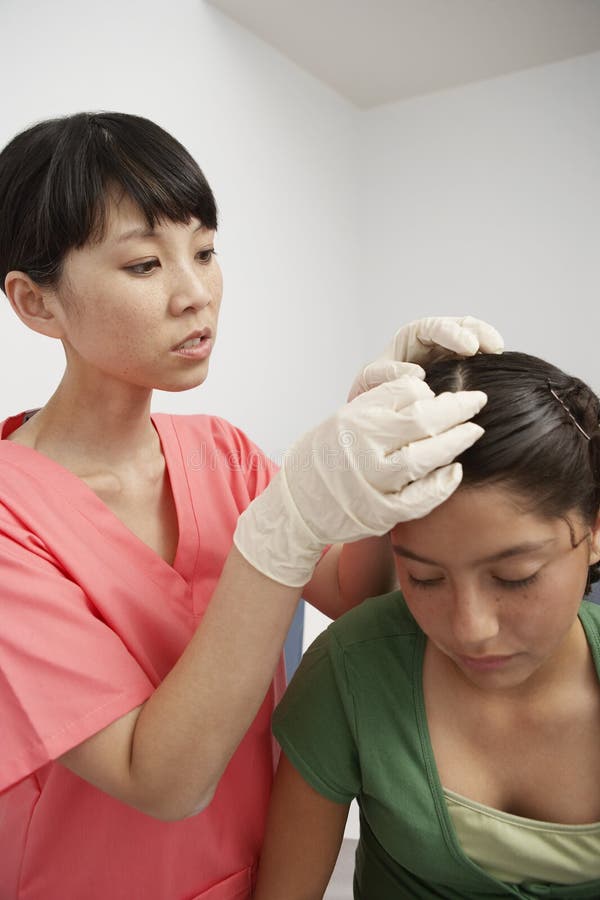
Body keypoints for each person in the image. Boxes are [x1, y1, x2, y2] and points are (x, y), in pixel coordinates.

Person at [0, 111, 501, 899]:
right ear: (37, 304)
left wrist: (376, 457)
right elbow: (159, 779)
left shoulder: (220, 451)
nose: (195, 293)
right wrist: (286, 521)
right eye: (143, 265)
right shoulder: (10, 521)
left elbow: (347, 588)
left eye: (204, 251)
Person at [255, 351, 600, 900]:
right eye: (424, 579)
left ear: (595, 528)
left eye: (514, 577)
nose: (470, 628)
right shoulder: (352, 673)